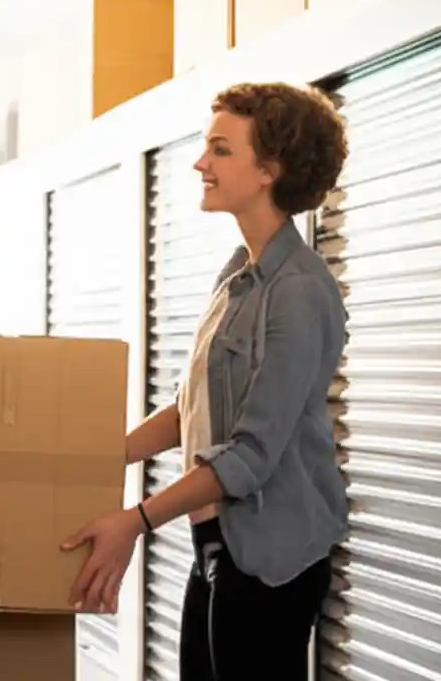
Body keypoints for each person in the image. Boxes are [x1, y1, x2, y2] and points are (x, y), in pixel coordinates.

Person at [61, 81, 351, 681]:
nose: (200, 163)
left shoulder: (297, 292)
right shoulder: (238, 275)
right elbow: (189, 408)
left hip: (271, 561)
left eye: (220, 149)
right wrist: (98, 457)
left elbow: (251, 455)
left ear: (269, 168)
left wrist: (134, 521)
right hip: (218, 546)